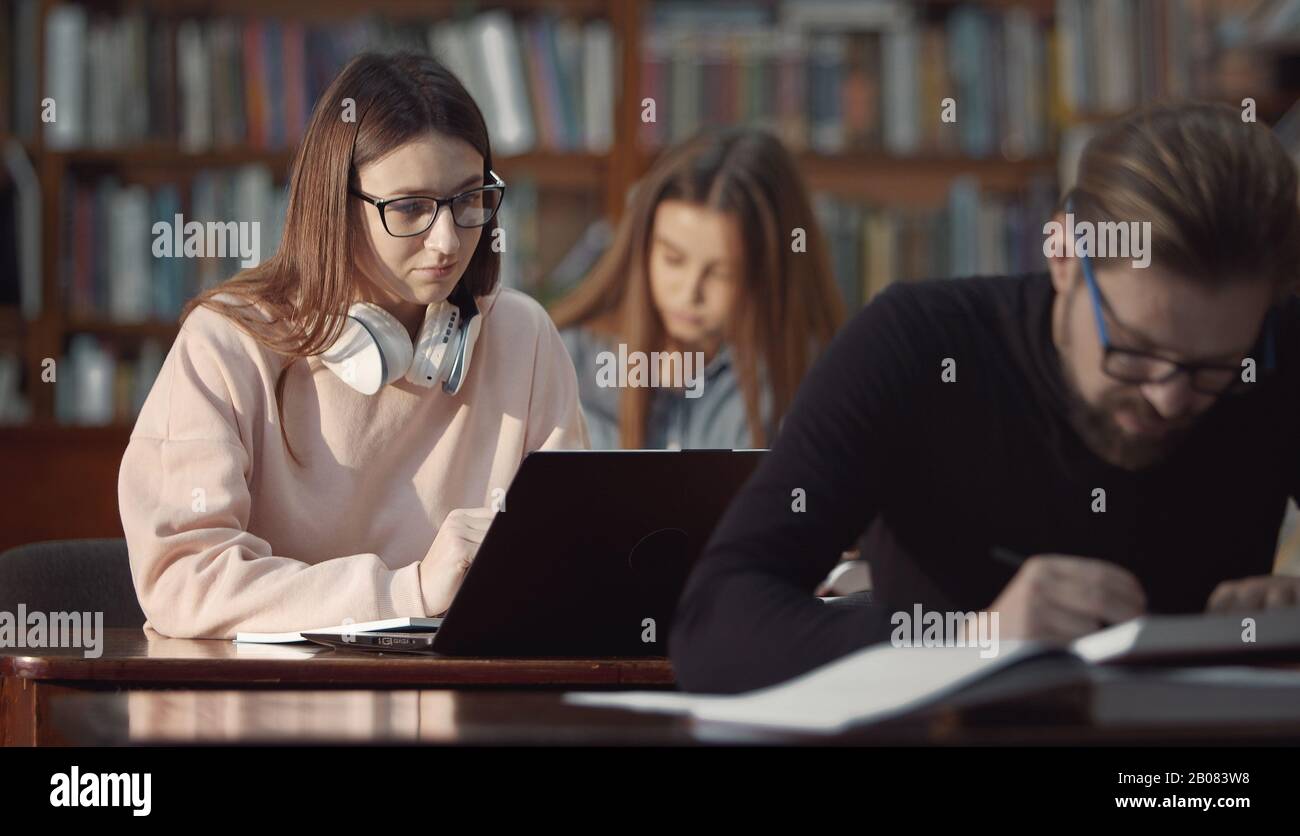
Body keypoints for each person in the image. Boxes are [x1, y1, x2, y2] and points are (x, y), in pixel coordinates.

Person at [670, 102, 1300, 693]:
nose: (1167, 398)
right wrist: (976, 639)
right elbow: (716, 622)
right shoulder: (917, 346)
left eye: (1214, 368)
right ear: (1063, 256)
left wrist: (1284, 619)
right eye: (1131, 351)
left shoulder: (1281, 351)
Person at [118, 53, 588, 639]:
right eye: (411, 208)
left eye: (469, 199)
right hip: (266, 711)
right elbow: (185, 579)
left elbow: (577, 565)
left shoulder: (523, 337)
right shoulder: (227, 344)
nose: (447, 240)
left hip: (462, 708)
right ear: (335, 206)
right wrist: (405, 591)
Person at [550, 129, 844, 449]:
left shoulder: (806, 376)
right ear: (642, 247)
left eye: (721, 273)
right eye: (673, 259)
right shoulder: (568, 360)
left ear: (770, 273)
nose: (690, 293)